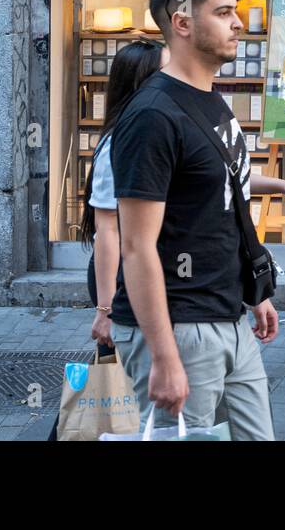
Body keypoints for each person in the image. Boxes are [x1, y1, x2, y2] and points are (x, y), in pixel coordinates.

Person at [110, 0, 285, 440]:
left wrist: (253, 290)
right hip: (180, 326)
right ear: (182, 23)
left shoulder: (211, 100)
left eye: (236, 12)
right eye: (224, 12)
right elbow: (137, 247)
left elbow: (227, 195)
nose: (239, 23)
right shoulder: (153, 117)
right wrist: (164, 357)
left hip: (229, 316)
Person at [81, 39, 169, 350]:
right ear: (142, 84)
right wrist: (105, 310)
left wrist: (284, 186)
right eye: (164, 73)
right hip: (119, 276)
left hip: (142, 268)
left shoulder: (153, 130)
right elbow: (106, 229)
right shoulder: (118, 143)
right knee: (123, 377)